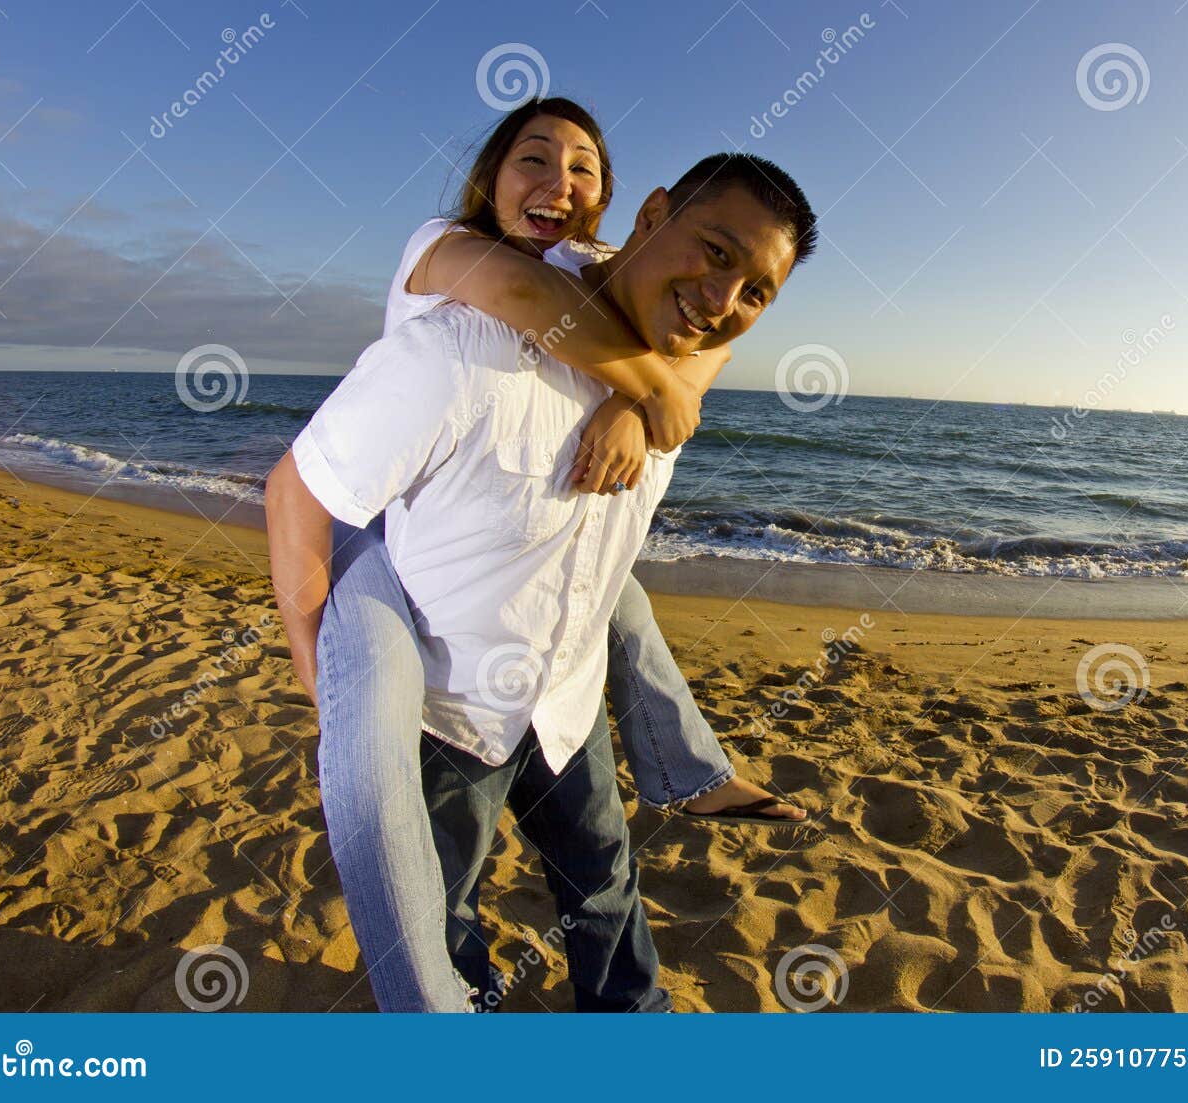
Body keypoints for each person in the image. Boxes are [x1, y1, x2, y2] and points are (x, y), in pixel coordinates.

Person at [265, 151, 817, 1010]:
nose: (721, 302)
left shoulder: (670, 381)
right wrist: (319, 673)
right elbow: (298, 491)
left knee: (604, 886)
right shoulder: (463, 346)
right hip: (450, 707)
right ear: (653, 213)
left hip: (565, 696)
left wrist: (636, 398)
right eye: (715, 252)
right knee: (446, 910)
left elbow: (688, 348)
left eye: (755, 292)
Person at [379, 97, 807, 824]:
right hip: (410, 517)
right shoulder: (444, 242)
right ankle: (690, 772)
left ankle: (692, 772)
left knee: (616, 601)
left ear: (608, 201)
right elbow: (526, 294)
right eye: (533, 159)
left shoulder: (603, 273)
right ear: (491, 176)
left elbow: (714, 345)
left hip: (520, 540)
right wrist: (649, 387)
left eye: (583, 171)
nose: (559, 182)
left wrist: (634, 406)